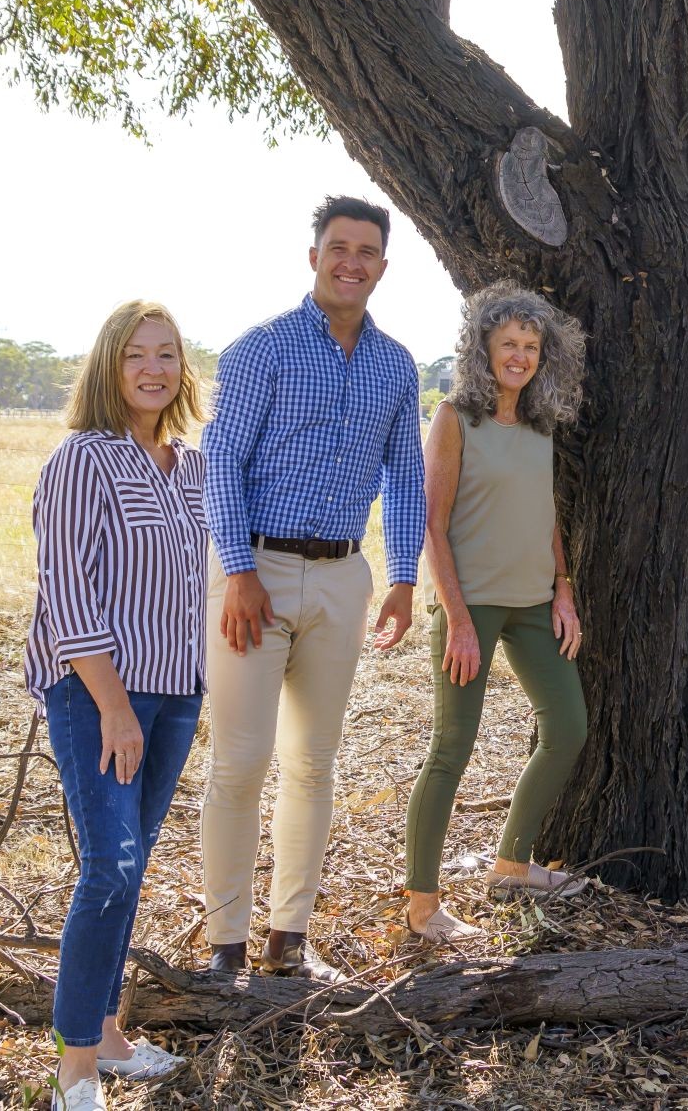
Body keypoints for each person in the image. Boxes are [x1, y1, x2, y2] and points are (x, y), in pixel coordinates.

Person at [199, 196, 425, 981]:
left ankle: (289, 938)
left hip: (341, 580)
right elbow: (220, 460)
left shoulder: (396, 365)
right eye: (339, 247)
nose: (351, 262)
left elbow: (405, 477)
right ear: (314, 256)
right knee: (240, 762)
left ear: (383, 268)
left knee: (314, 762)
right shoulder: (261, 350)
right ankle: (226, 946)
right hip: (252, 574)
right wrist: (235, 570)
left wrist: (401, 578)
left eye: (367, 251)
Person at [25, 301, 208, 1111]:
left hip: (176, 690)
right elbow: (67, 594)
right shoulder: (82, 460)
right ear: (110, 365)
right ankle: (74, 1073)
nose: (153, 368)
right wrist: (113, 707)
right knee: (111, 865)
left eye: (166, 354)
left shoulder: (190, 465)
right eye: (136, 354)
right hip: (100, 692)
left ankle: (106, 1032)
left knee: (131, 867)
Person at [403, 281, 590, 941]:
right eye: (508, 343)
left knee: (568, 727)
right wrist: (455, 619)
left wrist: (563, 586)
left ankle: (513, 862)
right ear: (483, 348)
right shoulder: (455, 417)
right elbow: (432, 524)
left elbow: (546, 516)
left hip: (535, 603)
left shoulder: (540, 425)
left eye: (531, 346)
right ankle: (422, 905)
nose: (519, 356)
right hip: (472, 605)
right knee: (451, 749)